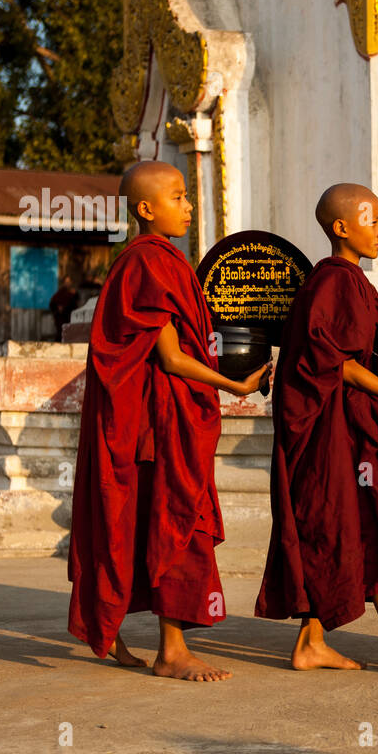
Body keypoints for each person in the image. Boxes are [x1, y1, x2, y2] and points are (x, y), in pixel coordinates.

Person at [67, 160, 267, 682]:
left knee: (152, 521)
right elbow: (171, 359)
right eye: (178, 197)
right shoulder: (149, 264)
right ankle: (172, 651)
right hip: (159, 425)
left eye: (186, 196)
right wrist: (236, 386)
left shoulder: (159, 260)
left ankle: (119, 633)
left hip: (163, 419)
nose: (189, 205)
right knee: (175, 522)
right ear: (146, 209)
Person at [254, 183, 378, 678]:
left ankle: (311, 641)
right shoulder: (334, 283)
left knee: (348, 525)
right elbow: (335, 363)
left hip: (349, 423)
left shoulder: (352, 283)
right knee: (368, 520)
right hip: (337, 428)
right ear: (342, 228)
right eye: (373, 221)